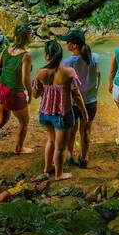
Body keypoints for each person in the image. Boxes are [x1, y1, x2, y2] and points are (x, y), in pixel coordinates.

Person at [32, 40, 88, 181]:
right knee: (60, 147)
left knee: (51, 141)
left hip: (45, 114)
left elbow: (35, 94)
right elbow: (76, 94)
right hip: (62, 115)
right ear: (61, 56)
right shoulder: (68, 72)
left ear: (47, 56)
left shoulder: (40, 73)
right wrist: (84, 112)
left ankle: (47, 168)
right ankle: (58, 174)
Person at [0, 24, 34, 155]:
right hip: (13, 92)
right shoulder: (26, 56)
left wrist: (6, 77)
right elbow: (25, 79)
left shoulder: (6, 49)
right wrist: (30, 93)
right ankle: (19, 148)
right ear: (27, 39)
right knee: (24, 122)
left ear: (15, 36)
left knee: (2, 119)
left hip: (1, 87)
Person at [60, 29, 98, 168]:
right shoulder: (95, 57)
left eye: (68, 42)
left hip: (73, 102)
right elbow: (97, 74)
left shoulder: (67, 62)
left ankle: (70, 154)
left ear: (74, 45)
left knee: (72, 129)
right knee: (86, 131)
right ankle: (84, 157)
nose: (66, 44)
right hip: (91, 101)